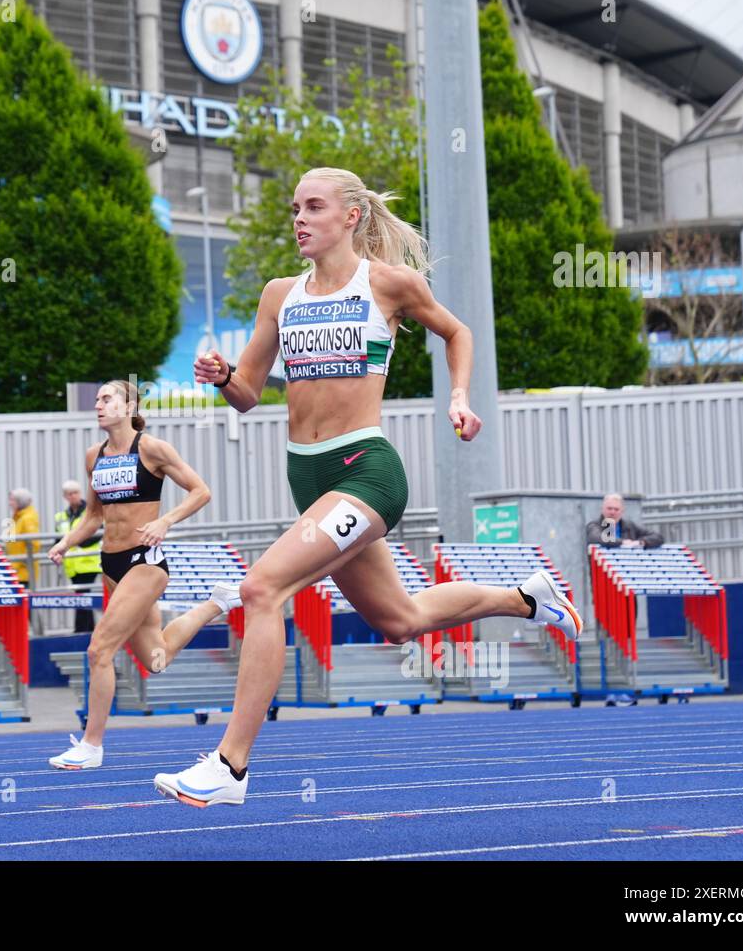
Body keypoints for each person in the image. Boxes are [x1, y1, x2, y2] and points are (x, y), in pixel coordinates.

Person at [153, 167, 582, 808]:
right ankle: (525, 598)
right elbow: (246, 394)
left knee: (262, 587)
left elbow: (457, 332)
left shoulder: (386, 284)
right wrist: (220, 376)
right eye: (294, 207)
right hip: (309, 476)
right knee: (399, 620)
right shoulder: (279, 295)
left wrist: (460, 398)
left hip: (367, 472)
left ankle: (230, 765)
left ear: (351, 216)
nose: (299, 218)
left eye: (314, 207)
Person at [45, 380, 239, 770]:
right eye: (96, 399)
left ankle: (92, 745)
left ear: (129, 405)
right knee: (156, 659)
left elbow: (200, 491)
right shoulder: (93, 455)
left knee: (99, 650)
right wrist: (66, 542)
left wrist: (165, 521)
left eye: (106, 398)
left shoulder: (151, 448)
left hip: (145, 563)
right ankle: (218, 603)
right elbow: (94, 516)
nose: (97, 405)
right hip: (111, 565)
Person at [55, 479, 103, 633]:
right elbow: (58, 538)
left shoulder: (89, 512)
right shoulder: (62, 516)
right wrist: (59, 549)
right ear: (65, 497)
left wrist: (74, 542)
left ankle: (82, 630)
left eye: (75, 493)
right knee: (80, 597)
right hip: (72, 565)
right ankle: (88, 629)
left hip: (88, 562)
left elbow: (97, 534)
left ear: (80, 493)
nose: (73, 496)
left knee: (83, 597)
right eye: (69, 494)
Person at [585, 493, 663, 550]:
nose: (612, 512)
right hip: (603, 570)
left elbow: (658, 537)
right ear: (602, 509)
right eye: (609, 508)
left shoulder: (630, 526)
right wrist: (623, 542)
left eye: (616, 509)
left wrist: (640, 542)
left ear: (622, 511)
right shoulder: (594, 525)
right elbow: (596, 538)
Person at [4, 489, 41, 588]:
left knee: (23, 601)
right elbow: (10, 541)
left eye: (12, 500)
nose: (10, 503)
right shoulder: (16, 518)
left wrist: (23, 563)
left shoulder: (28, 518)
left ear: (21, 502)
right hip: (15, 570)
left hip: (23, 573)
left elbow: (34, 544)